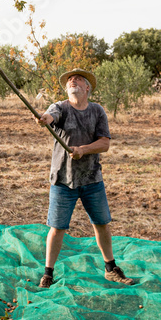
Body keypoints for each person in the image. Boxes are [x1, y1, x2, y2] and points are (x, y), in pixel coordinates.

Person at [35, 68, 135, 288]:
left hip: (92, 179)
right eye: (70, 80)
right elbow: (52, 116)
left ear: (87, 88)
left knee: (101, 224)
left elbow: (105, 143)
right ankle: (48, 273)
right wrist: (45, 118)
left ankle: (111, 269)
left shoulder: (97, 111)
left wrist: (82, 149)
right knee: (57, 227)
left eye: (78, 79)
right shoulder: (59, 107)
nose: (73, 81)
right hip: (63, 178)